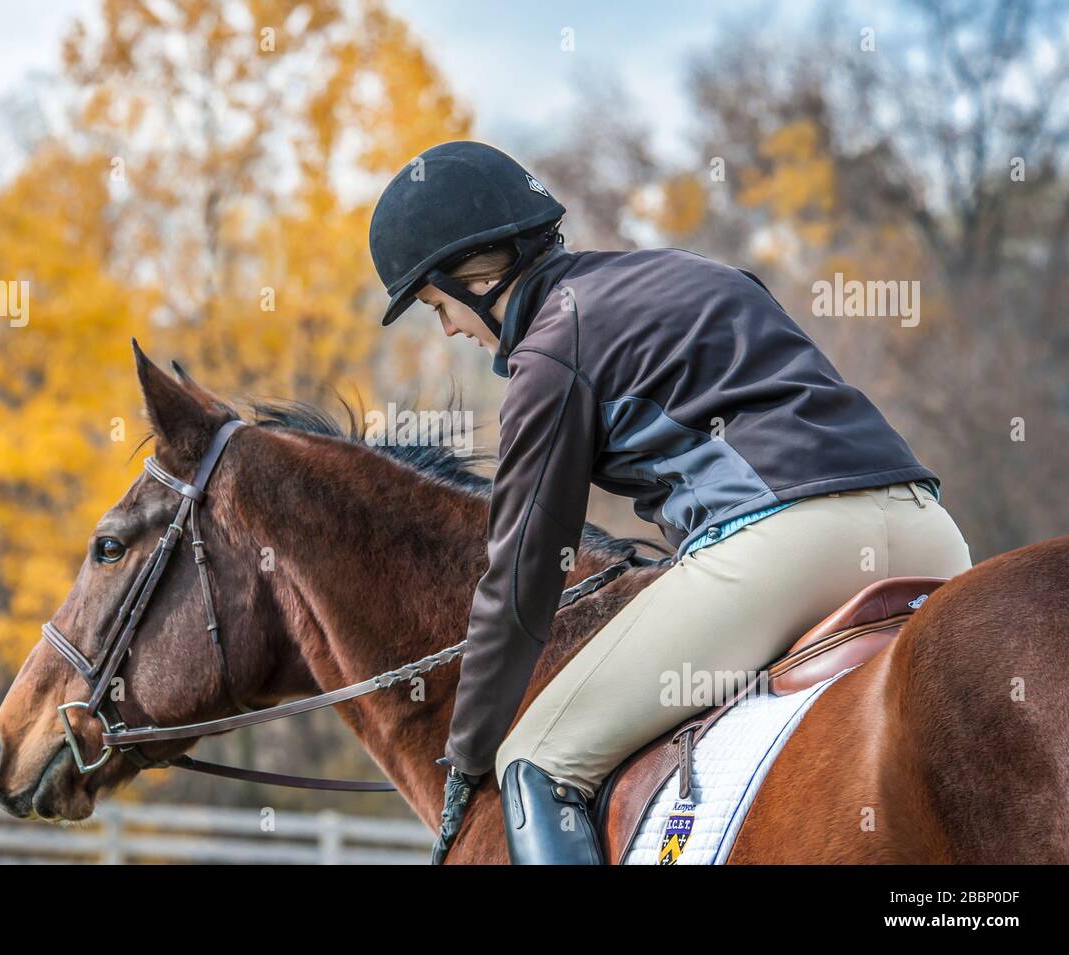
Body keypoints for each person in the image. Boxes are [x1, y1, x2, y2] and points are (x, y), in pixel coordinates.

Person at [368, 141, 972, 865]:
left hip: (792, 547)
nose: (451, 331)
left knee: (536, 761)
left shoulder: (551, 351)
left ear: (477, 275)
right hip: (930, 529)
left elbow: (522, 576)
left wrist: (467, 756)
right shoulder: (691, 271)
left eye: (439, 305)